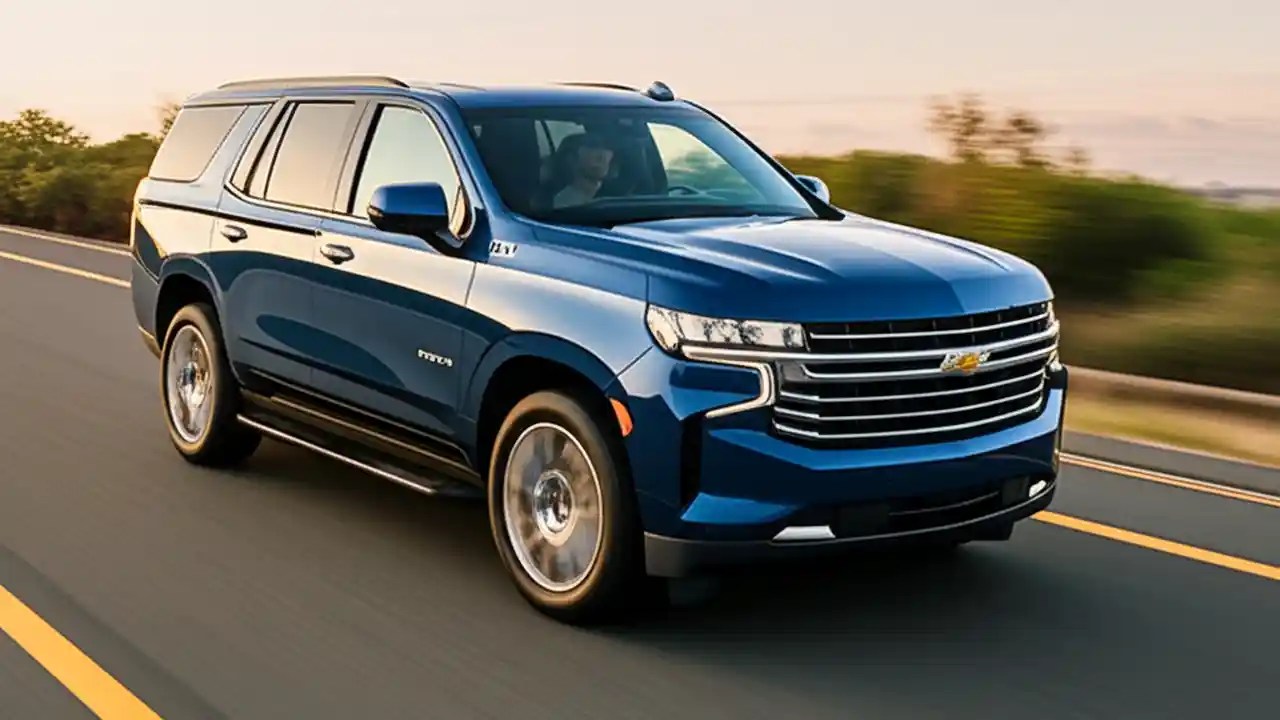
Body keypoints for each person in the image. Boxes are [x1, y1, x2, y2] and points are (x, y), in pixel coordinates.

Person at [552, 134, 614, 208]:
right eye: (592, 147)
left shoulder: (620, 197)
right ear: (570, 159)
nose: (602, 156)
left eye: (606, 149)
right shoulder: (563, 203)